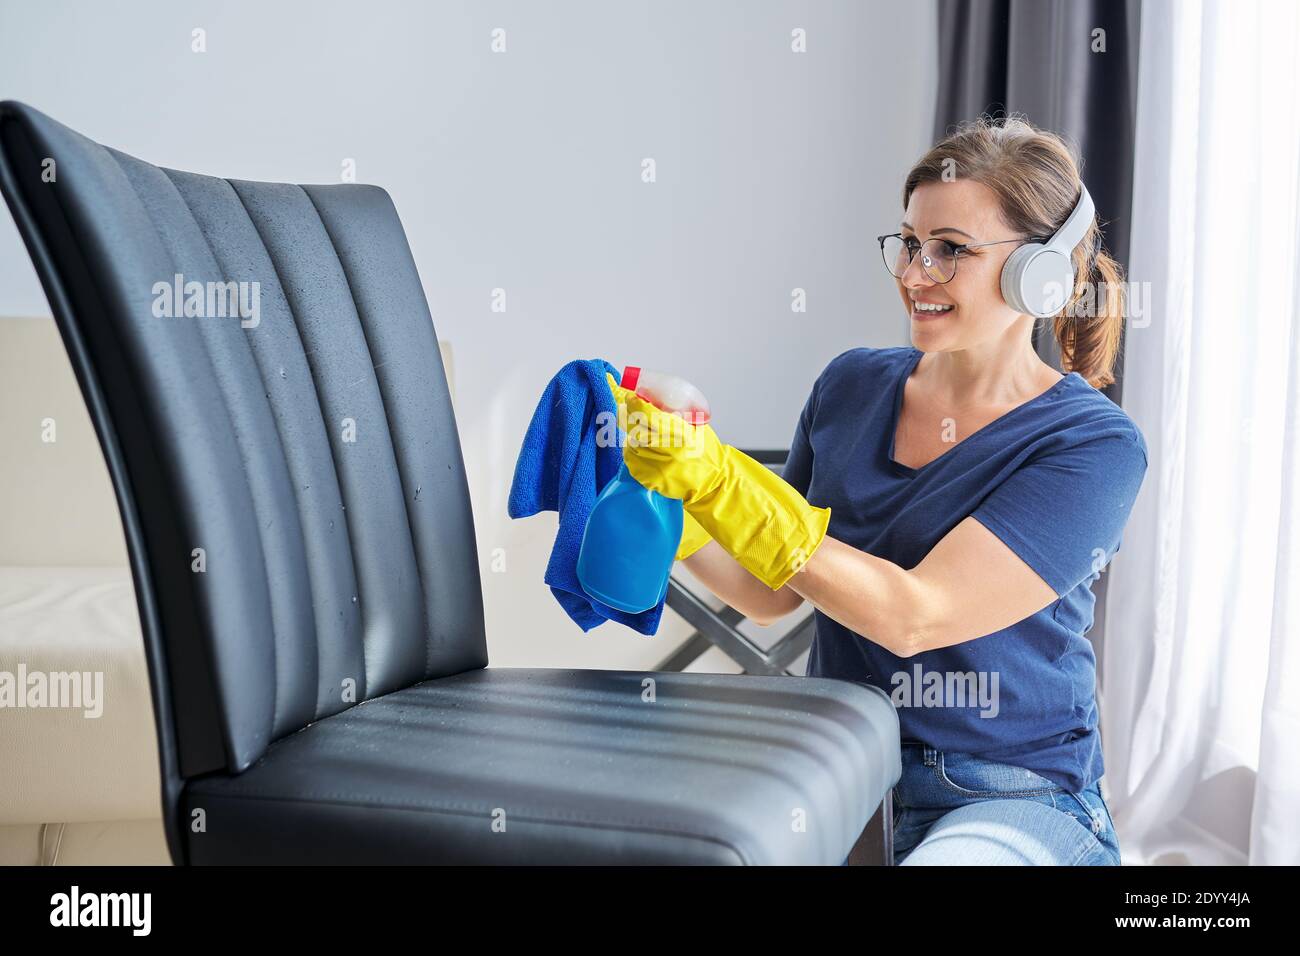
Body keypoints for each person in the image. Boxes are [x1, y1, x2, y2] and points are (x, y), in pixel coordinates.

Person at [608, 115, 1147, 866]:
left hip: (1009, 793)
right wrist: (672, 499)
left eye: (950, 250)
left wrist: (721, 479)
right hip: (838, 771)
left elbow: (913, 616)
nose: (913, 273)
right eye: (909, 242)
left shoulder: (1091, 446)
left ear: (1039, 273)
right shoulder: (852, 383)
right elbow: (772, 594)